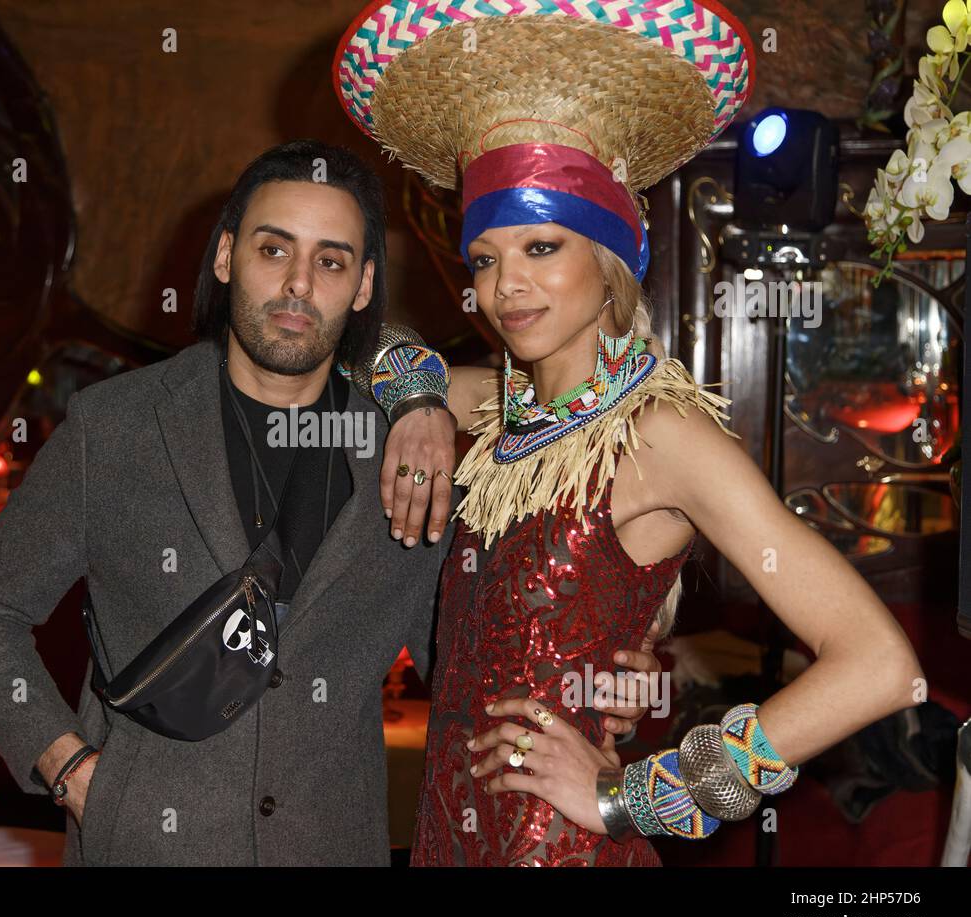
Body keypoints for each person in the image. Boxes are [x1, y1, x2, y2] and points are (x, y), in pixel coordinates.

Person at [0, 139, 656, 866]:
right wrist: (69, 770)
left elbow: (467, 662)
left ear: (365, 284)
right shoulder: (114, 428)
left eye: (332, 261)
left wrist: (588, 680)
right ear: (225, 258)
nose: (299, 285)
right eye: (273, 250)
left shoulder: (414, 456)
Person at [332, 0, 925, 865]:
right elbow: (351, 351)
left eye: (541, 248)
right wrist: (421, 402)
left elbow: (877, 663)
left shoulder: (660, 435)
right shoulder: (498, 411)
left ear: (610, 259)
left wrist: (635, 796)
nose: (507, 288)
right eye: (487, 258)